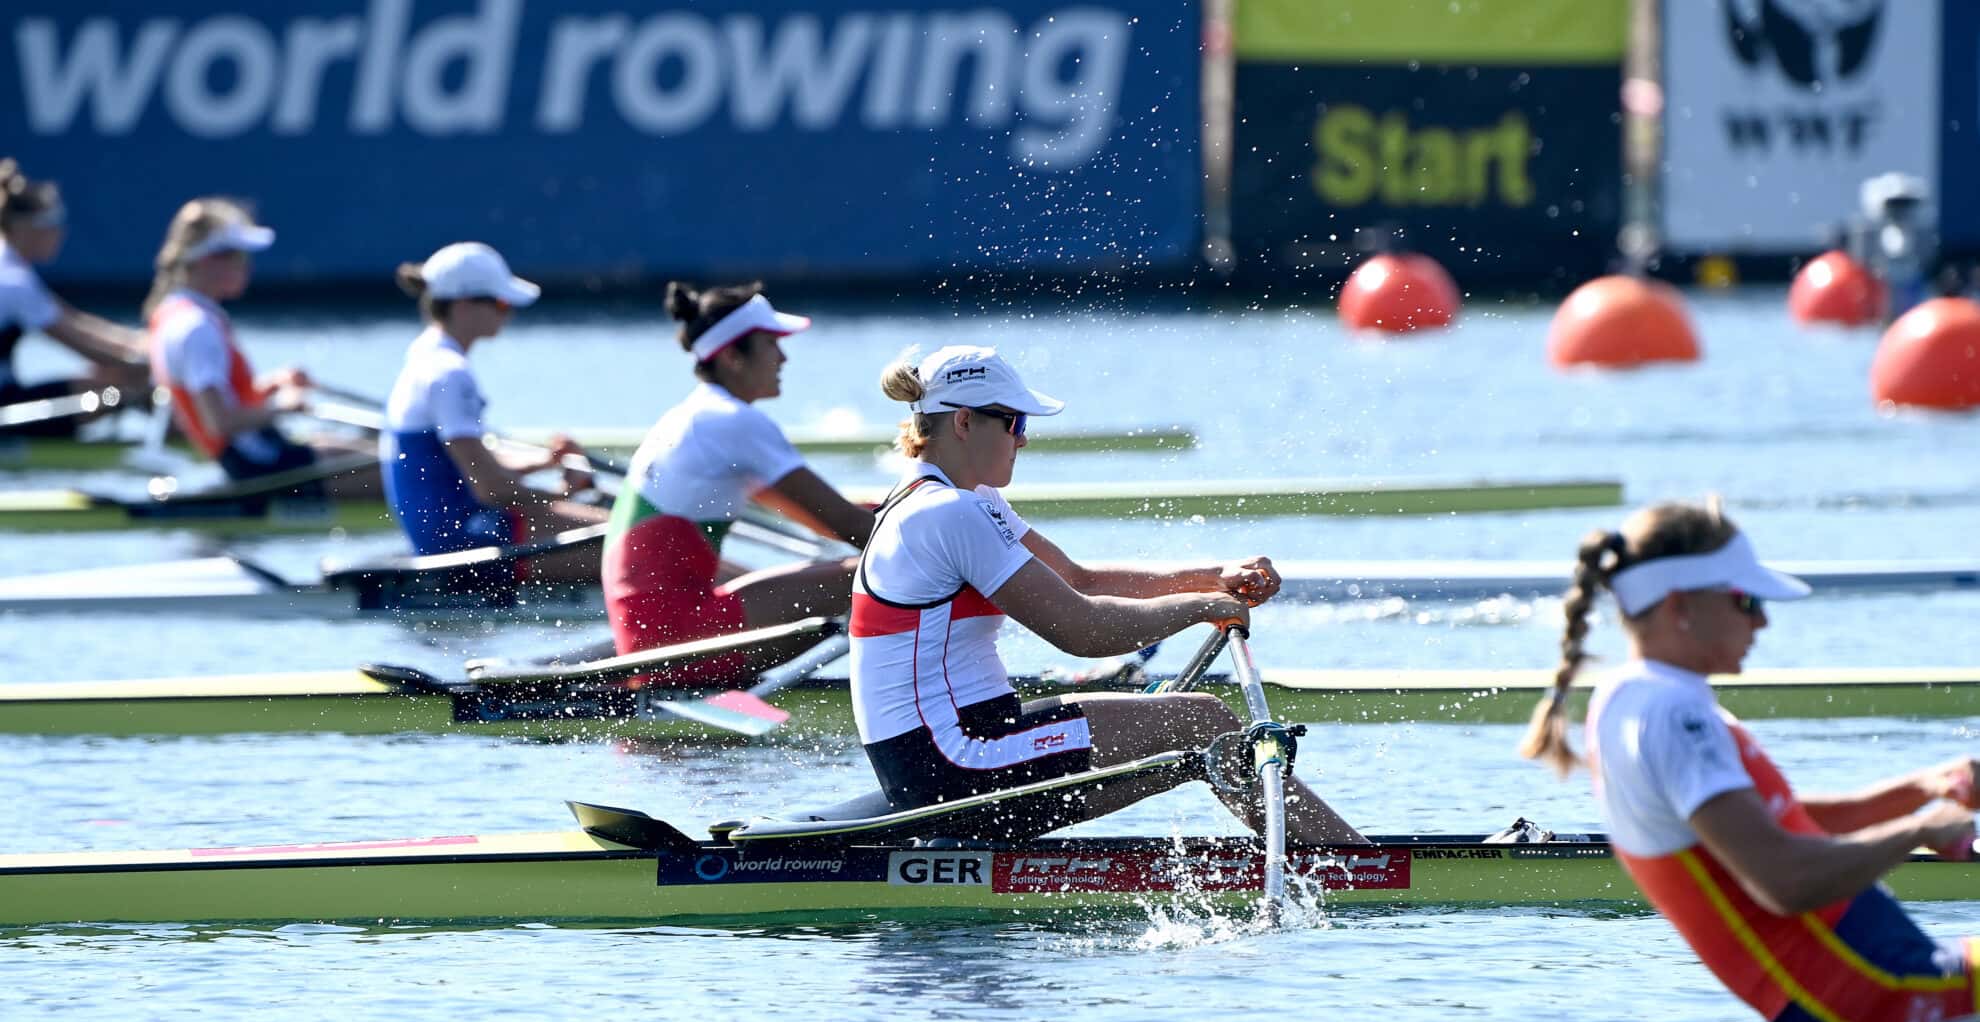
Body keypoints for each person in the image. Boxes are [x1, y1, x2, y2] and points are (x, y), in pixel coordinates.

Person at [852, 343, 1366, 845]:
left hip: (956, 747)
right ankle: (1360, 869)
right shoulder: (947, 513)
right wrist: (1201, 608)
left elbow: (1081, 581)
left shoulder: (960, 500)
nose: (1023, 440)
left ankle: (1333, 857)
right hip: (954, 762)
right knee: (1201, 720)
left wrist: (1214, 577)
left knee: (1194, 730)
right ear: (963, 422)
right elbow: (1084, 631)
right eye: (1014, 422)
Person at [1521, 498, 1979, 1022]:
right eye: (1747, 601)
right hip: (1885, 1006)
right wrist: (1921, 831)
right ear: (1679, 606)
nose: (1762, 620)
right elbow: (1784, 882)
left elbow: (1766, 821)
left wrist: (1920, 790)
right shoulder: (1672, 716)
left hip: (1886, 984)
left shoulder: (1632, 697)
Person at [603, 281, 873, 682]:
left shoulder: (696, 415)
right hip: (673, 642)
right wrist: (950, 550)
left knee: (873, 564)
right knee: (880, 573)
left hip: (649, 634)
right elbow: (849, 527)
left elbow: (825, 514)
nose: (783, 358)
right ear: (732, 356)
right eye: (771, 344)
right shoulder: (732, 421)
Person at [381, 243, 602, 580]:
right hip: (466, 544)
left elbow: (469, 458)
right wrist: (564, 494)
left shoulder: (425, 355)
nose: (508, 312)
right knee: (646, 539)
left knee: (630, 532)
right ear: (464, 305)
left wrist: (545, 461)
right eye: (500, 303)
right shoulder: (449, 373)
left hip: (449, 532)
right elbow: (491, 489)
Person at [144, 197, 376, 495]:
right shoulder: (195, 328)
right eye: (240, 257)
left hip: (260, 456)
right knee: (412, 469)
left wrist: (271, 386)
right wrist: (281, 404)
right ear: (208, 260)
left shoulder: (178, 312)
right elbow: (219, 422)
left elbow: (225, 400)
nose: (248, 267)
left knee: (377, 452)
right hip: (264, 471)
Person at [0, 159, 147, 413]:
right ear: (21, 228)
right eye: (50, 226)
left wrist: (140, 343)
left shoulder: (12, 269)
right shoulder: (12, 281)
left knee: (117, 381)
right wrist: (144, 366)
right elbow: (81, 344)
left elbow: (76, 321)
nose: (60, 234)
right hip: (7, 413)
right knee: (116, 393)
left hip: (9, 398)